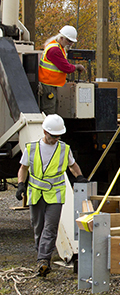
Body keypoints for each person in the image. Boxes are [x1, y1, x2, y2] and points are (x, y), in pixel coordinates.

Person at [15, 114, 88, 277]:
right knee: (38, 227)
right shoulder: (31, 148)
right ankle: (41, 258)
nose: (55, 139)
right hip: (36, 194)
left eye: (58, 136)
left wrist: (79, 176)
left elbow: (72, 165)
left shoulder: (64, 149)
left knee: (50, 227)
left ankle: (43, 260)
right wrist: (21, 185)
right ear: (44, 131)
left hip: (55, 194)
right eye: (53, 136)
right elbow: (23, 168)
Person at [37, 25, 85, 115]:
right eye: (69, 41)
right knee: (49, 111)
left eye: (72, 42)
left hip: (50, 84)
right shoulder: (54, 50)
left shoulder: (57, 46)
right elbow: (66, 67)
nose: (70, 44)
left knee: (52, 108)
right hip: (48, 85)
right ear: (62, 38)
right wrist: (77, 67)